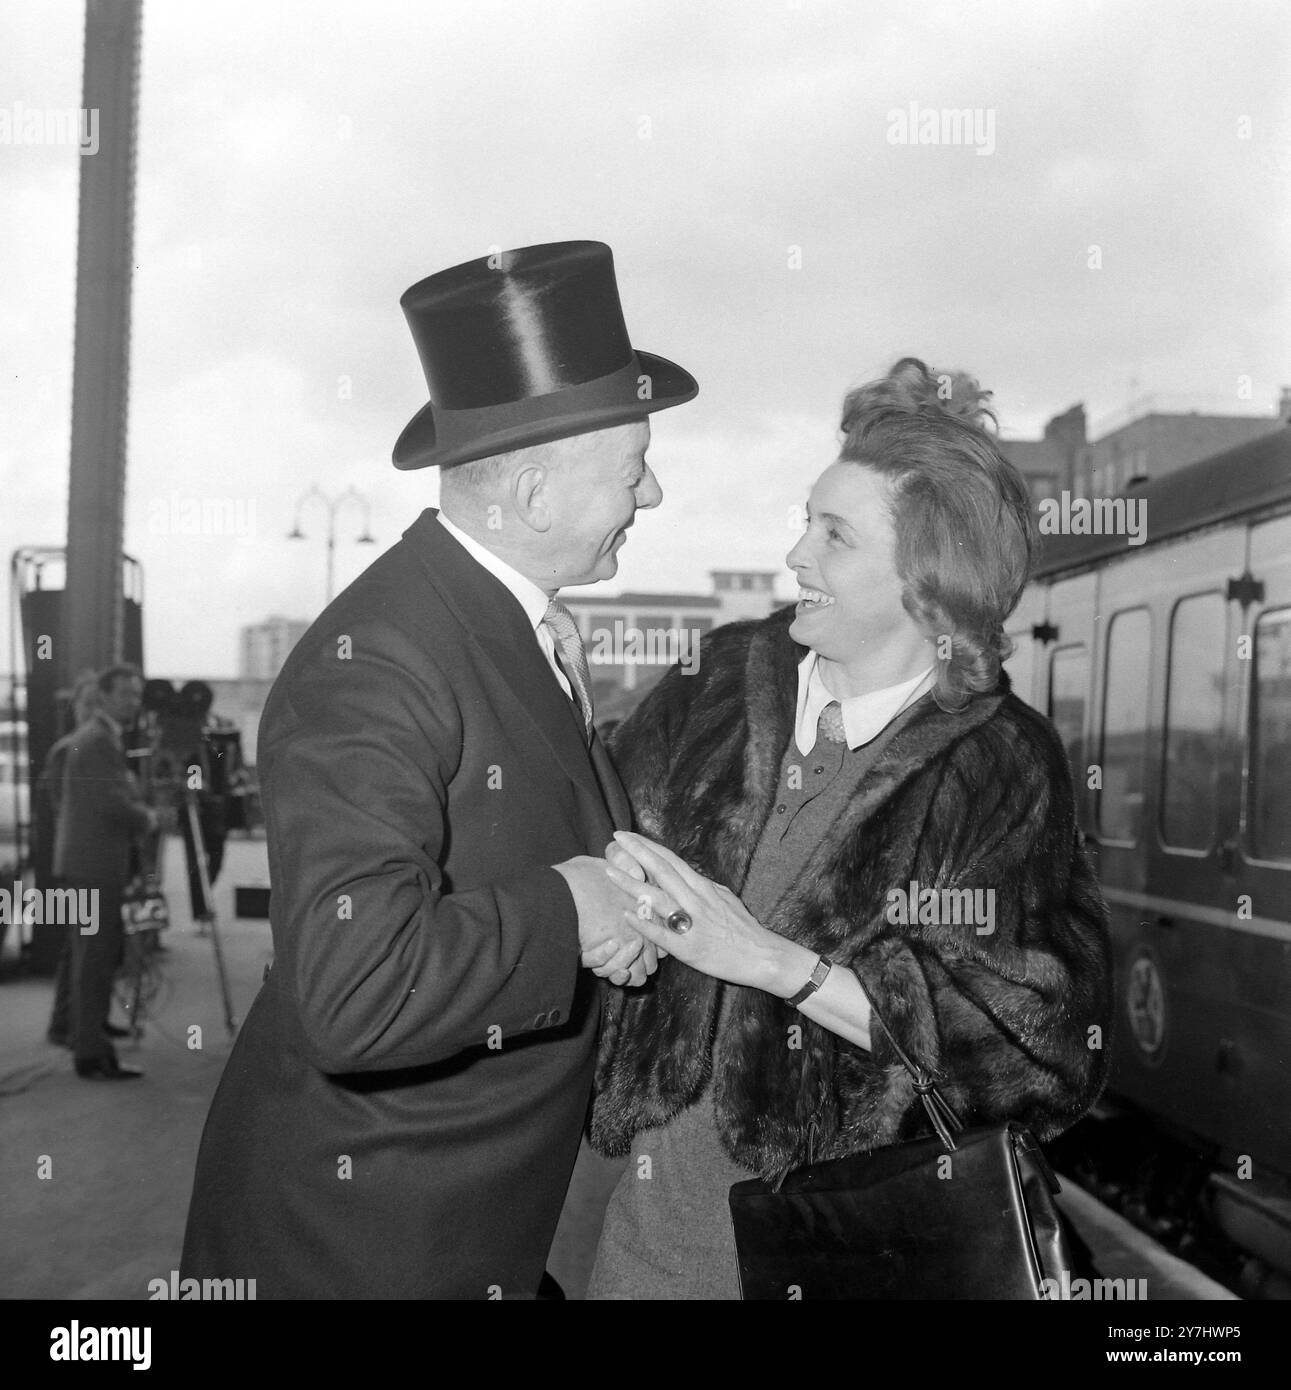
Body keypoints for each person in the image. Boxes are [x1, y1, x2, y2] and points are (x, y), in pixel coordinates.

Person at [180, 241, 698, 1299]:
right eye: (632, 462)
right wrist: (570, 908)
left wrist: (606, 917)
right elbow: (353, 988)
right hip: (356, 1247)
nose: (651, 490)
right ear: (538, 489)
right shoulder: (381, 659)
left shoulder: (488, 623)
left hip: (449, 1232)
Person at [585, 357, 1113, 1299]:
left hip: (853, 1254)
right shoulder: (719, 680)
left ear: (927, 582)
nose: (797, 558)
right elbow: (604, 833)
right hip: (653, 1238)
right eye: (805, 523)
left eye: (834, 537)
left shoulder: (998, 764)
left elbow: (1030, 1050)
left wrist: (775, 964)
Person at [53, 664, 157, 1080]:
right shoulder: (97, 741)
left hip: (87, 866)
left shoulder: (98, 738)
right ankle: (91, 1056)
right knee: (93, 963)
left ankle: (88, 1039)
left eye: (137, 695)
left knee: (91, 960)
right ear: (105, 696)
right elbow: (110, 802)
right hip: (93, 868)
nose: (134, 702)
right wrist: (148, 818)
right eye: (126, 694)